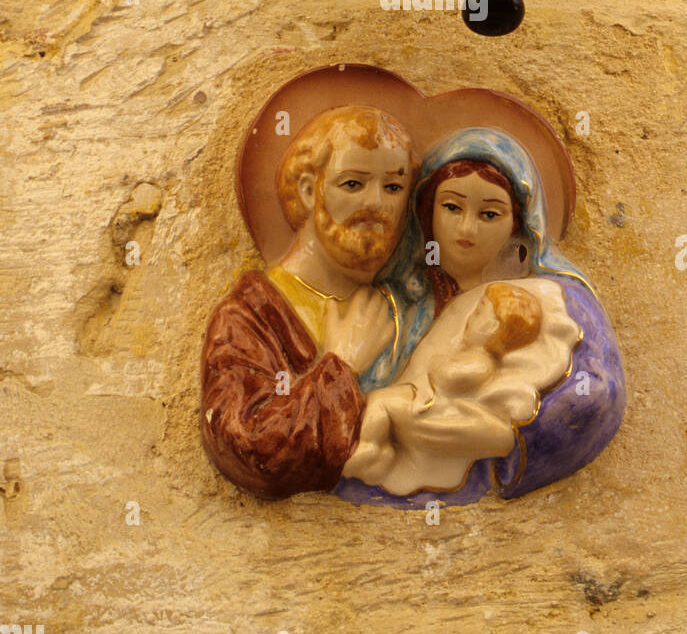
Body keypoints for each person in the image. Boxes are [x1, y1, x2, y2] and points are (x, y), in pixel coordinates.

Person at [337, 127, 626, 506]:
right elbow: (353, 410)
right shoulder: (397, 308)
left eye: (489, 214)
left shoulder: (556, 298)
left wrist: (508, 438)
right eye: (452, 208)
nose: (466, 229)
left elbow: (598, 397)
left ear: (519, 223)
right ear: (426, 212)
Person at [200, 105, 417, 499]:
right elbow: (250, 448)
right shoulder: (250, 317)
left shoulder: (406, 305)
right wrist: (341, 366)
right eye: (353, 184)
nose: (376, 204)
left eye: (393, 187)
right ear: (307, 189)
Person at [346, 278, 577, 495]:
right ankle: (374, 449)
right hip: (426, 399)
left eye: (478, 313)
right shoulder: (474, 357)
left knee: (380, 401)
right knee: (380, 401)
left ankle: (370, 447)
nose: (469, 319)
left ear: (492, 326)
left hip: (430, 407)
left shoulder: (480, 362)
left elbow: (448, 378)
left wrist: (437, 365)